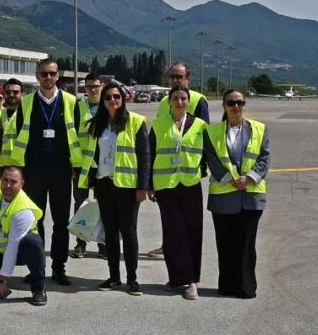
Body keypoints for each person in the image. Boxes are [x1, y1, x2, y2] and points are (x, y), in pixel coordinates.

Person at [10, 59, 83, 286]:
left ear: (58, 75)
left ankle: (58, 267)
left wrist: (77, 167)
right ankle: (37, 268)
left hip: (61, 171)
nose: (48, 78)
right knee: (34, 222)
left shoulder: (71, 102)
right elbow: (20, 134)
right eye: (44, 74)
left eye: (52, 73)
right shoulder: (27, 103)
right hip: (34, 171)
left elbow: (78, 135)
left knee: (61, 222)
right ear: (37, 76)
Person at [78, 82, 150, 295]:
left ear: (123, 98)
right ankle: (114, 277)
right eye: (108, 97)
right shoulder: (96, 124)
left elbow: (145, 157)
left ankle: (132, 279)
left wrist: (143, 186)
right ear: (103, 100)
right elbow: (90, 155)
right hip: (104, 185)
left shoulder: (135, 122)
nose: (112, 100)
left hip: (127, 187)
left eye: (116, 96)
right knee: (109, 233)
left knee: (128, 233)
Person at [204, 89, 269, 299]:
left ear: (245, 105)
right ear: (224, 106)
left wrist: (249, 178)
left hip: (251, 196)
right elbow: (211, 159)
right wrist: (229, 179)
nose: (236, 107)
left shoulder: (259, 129)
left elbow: (264, 158)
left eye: (240, 103)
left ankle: (245, 287)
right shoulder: (213, 132)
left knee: (246, 245)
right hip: (224, 196)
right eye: (231, 103)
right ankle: (227, 286)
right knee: (225, 244)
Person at [148, 85, 210, 300]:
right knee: (172, 233)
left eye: (184, 98)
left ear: (188, 101)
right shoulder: (158, 124)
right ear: (170, 101)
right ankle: (175, 277)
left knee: (192, 232)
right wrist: (149, 185)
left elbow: (208, 153)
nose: (180, 102)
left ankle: (192, 280)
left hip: (190, 185)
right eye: (176, 98)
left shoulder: (200, 125)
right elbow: (150, 154)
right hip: (166, 185)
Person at [0, 167, 47, 306]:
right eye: (5, 180)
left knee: (33, 242)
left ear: (21, 184)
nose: (8, 185)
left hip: (18, 252)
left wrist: (2, 280)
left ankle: (38, 288)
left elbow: (12, 245)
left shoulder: (23, 210)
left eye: (13, 182)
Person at [72, 72, 105, 259]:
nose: (93, 89)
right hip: (82, 166)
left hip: (103, 166)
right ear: (85, 88)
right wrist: (73, 165)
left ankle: (102, 244)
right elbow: (72, 137)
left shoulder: (108, 105)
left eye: (96, 86)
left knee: (103, 205)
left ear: (102, 86)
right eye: (89, 86)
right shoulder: (78, 108)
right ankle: (80, 243)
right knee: (80, 205)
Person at [0, 78, 24, 174]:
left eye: (15, 92)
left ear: (22, 94)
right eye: (8, 92)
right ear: (4, 94)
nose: (11, 95)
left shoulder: (27, 115)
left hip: (20, 167)